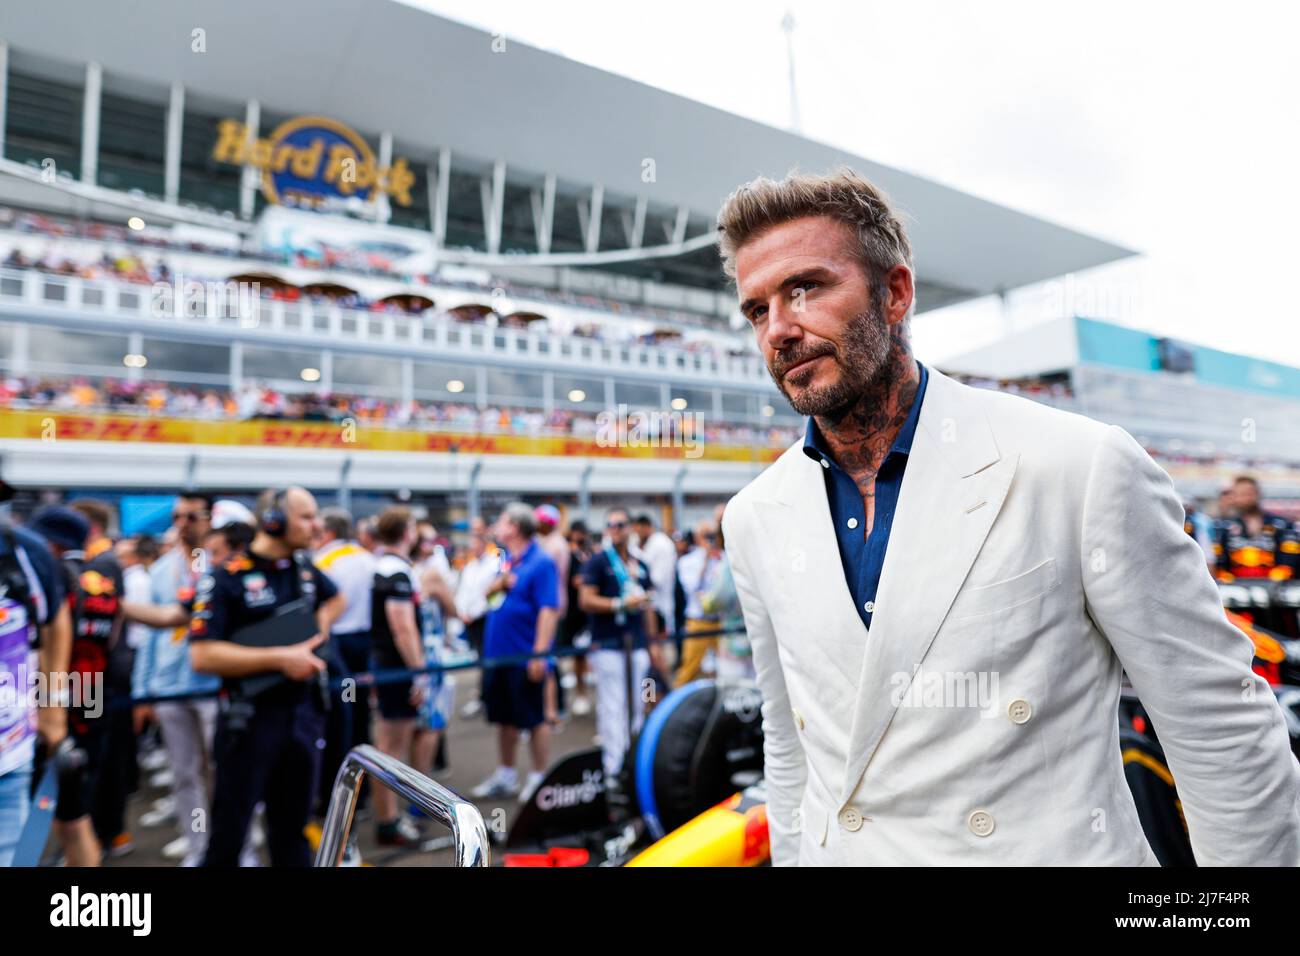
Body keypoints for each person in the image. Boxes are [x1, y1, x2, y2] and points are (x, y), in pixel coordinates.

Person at [717, 167, 1300, 865]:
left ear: (894, 293)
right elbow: (789, 746)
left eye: (806, 289)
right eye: (758, 310)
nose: (780, 329)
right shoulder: (755, 517)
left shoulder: (1078, 465)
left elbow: (1220, 726)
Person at [190, 486, 345, 866]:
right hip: (249, 723)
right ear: (273, 521)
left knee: (293, 834)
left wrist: (318, 627)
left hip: (305, 718)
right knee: (228, 838)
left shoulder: (305, 569)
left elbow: (337, 598)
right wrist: (281, 658)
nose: (317, 525)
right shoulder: (224, 578)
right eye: (306, 516)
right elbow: (202, 655)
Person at [126, 493, 223, 867]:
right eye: (178, 516)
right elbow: (150, 637)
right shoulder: (163, 569)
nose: (183, 523)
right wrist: (142, 691)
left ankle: (231, 846)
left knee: (221, 770)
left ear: (209, 518)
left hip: (214, 683)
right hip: (170, 685)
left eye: (191, 516)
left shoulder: (221, 565)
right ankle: (197, 846)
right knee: (184, 773)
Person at [30, 505, 122, 867]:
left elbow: (40, 646)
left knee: (46, 810)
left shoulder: (48, 581)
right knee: (75, 812)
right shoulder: (103, 582)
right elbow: (113, 638)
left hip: (47, 704)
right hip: (92, 698)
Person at [471, 503, 558, 803]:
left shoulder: (541, 562)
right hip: (500, 654)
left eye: (504, 521)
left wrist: (539, 654)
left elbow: (549, 610)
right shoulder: (508, 560)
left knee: (534, 717)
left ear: (516, 528)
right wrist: (501, 583)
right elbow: (486, 597)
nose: (497, 526)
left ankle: (538, 775)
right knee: (504, 717)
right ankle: (506, 773)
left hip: (524, 653)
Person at [0, 520, 70, 868]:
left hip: (15, 747)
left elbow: (58, 623)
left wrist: (54, 707)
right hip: (91, 694)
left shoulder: (23, 551)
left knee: (74, 813)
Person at [578, 507, 658, 783]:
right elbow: (586, 599)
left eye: (621, 524)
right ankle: (613, 767)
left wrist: (653, 643)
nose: (616, 529)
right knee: (613, 706)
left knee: (638, 704)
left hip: (635, 644)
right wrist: (619, 604)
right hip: (608, 645)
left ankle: (632, 759)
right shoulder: (599, 562)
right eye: (611, 524)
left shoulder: (640, 562)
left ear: (630, 527)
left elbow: (648, 604)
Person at [366, 507, 427, 846]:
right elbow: (402, 628)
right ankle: (388, 821)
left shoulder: (386, 567)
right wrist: (418, 673)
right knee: (391, 745)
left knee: (390, 743)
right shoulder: (395, 573)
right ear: (407, 532)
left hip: (387, 666)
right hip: (395, 669)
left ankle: (389, 817)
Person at [313, 507, 376, 817]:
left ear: (327, 533)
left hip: (333, 646)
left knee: (337, 724)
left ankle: (336, 797)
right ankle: (361, 795)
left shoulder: (322, 562)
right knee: (361, 720)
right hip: (363, 645)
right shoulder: (367, 558)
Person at [453, 526, 499, 719]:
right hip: (469, 620)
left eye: (476, 543)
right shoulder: (470, 567)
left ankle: (488, 698)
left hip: (483, 619)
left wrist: (474, 613)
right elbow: (463, 592)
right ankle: (484, 696)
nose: (473, 548)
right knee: (481, 660)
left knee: (487, 660)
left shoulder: (493, 564)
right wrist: (462, 613)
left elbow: (489, 595)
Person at [673, 520, 725, 686]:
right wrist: (705, 561)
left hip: (720, 622)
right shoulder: (688, 561)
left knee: (725, 668)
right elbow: (692, 588)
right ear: (697, 538)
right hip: (698, 622)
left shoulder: (724, 557)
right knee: (689, 668)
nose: (710, 540)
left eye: (713, 535)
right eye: (706, 536)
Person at [632, 513, 677, 683]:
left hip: (656, 610)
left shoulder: (660, 545)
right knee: (651, 656)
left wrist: (636, 570)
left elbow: (656, 580)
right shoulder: (645, 544)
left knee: (656, 655)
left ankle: (663, 695)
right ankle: (651, 699)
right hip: (647, 609)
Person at [534, 505, 569, 725]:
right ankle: (553, 707)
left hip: (552, 606)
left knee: (548, 659)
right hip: (554, 603)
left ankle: (554, 708)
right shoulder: (551, 543)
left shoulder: (553, 546)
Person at [557, 520, 594, 716]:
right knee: (577, 654)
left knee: (587, 654)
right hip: (573, 612)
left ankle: (584, 689)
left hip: (589, 614)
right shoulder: (567, 554)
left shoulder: (590, 554)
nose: (581, 537)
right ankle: (580, 694)